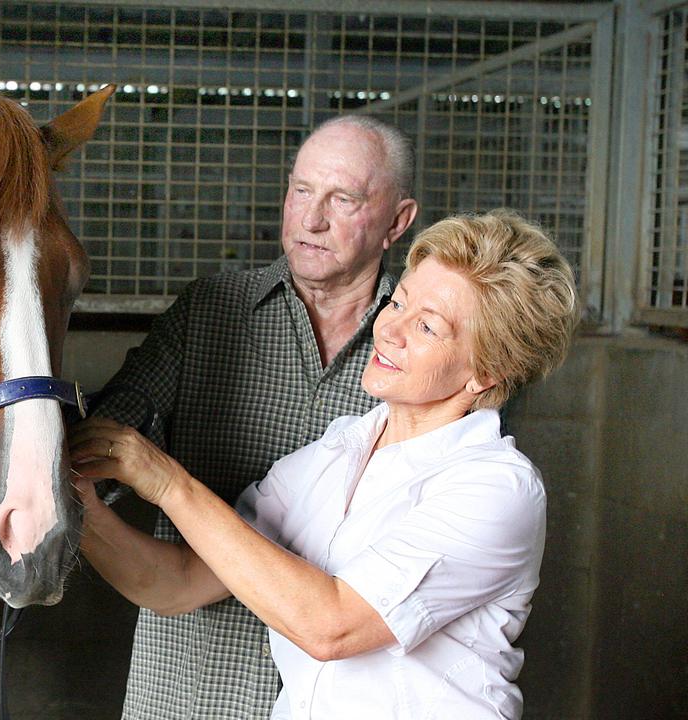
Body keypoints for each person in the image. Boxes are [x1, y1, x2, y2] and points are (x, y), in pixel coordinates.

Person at [72, 210, 579, 719]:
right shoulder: (336, 453)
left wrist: (166, 483)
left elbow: (331, 626)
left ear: (485, 373)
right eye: (398, 301)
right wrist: (76, 506)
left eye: (427, 326)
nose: (390, 330)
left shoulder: (494, 488)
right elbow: (175, 584)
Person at [86, 114, 418, 718]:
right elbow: (116, 428)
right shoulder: (211, 311)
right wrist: (35, 469)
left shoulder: (418, 349)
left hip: (343, 695)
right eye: (300, 191)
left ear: (398, 221)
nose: (311, 220)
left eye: (342, 199)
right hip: (189, 690)